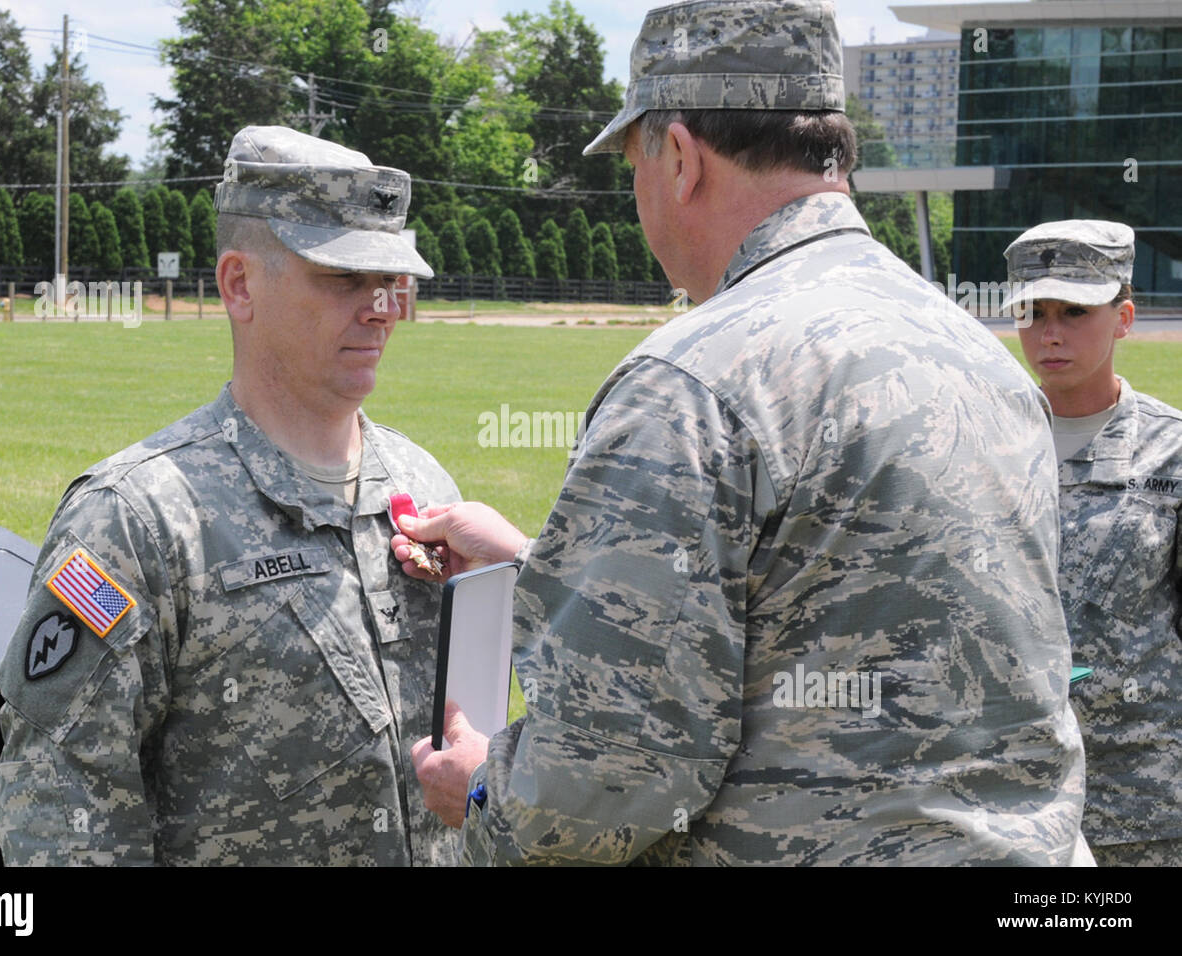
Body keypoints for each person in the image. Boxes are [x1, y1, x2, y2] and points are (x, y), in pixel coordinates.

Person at [403, 0, 1093, 865]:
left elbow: (608, 777)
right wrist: (546, 561)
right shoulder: (979, 356)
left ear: (681, 157)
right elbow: (840, 612)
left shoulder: (692, 381)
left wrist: (478, 788)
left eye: (633, 162)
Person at [0, 126, 461, 866]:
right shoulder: (135, 517)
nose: (382, 308)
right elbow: (59, 806)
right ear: (240, 283)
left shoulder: (425, 486)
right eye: (342, 278)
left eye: (390, 281)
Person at [1003, 220, 1182, 867]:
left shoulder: (1172, 453)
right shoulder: (982, 444)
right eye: (1032, 311)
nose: (1049, 333)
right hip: (1008, 801)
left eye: (1075, 311)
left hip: (1142, 805)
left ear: (1125, 317)